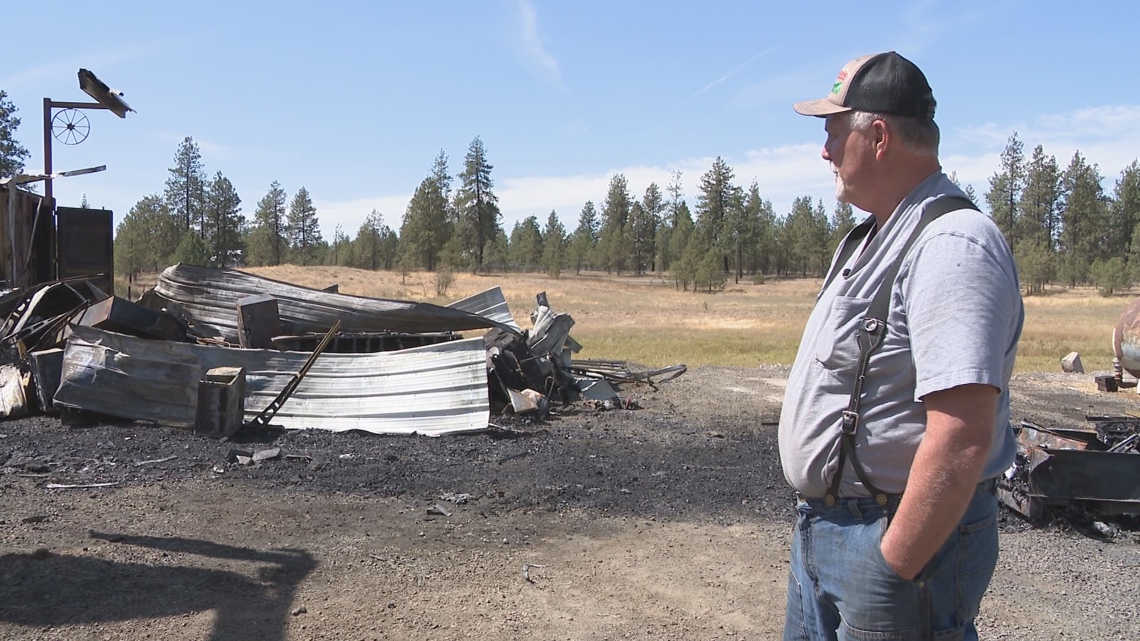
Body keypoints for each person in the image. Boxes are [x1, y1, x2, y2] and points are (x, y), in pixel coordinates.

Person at [778, 51, 1024, 641]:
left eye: (835, 131)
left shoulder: (953, 245)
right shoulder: (873, 235)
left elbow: (962, 435)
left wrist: (894, 561)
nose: (825, 150)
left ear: (879, 135)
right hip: (829, 532)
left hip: (887, 546)